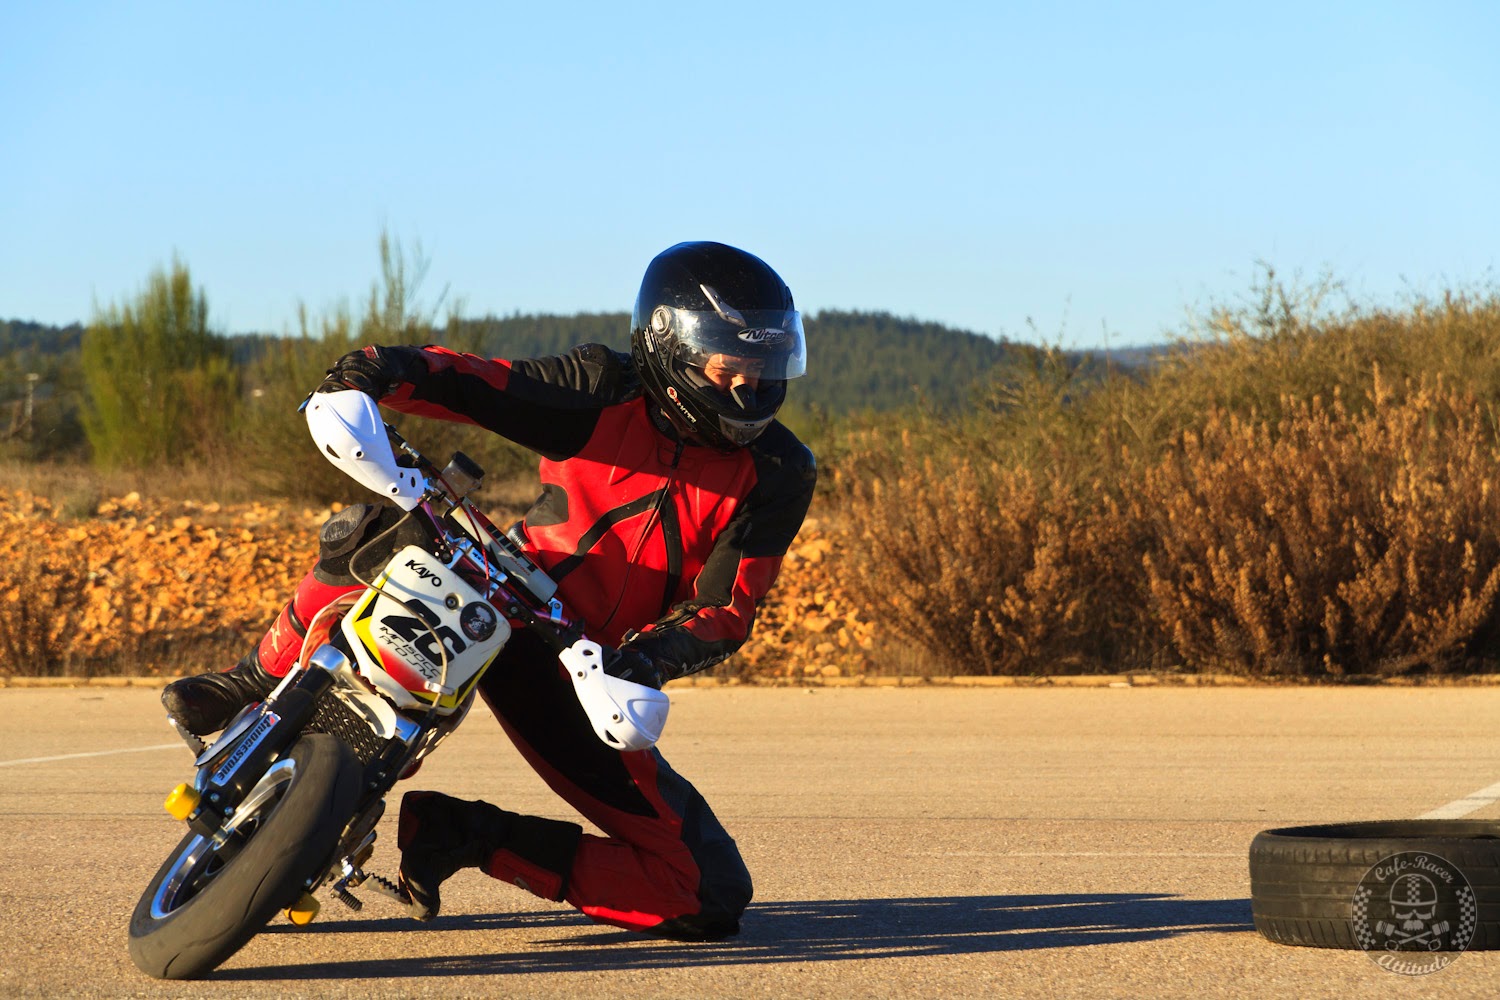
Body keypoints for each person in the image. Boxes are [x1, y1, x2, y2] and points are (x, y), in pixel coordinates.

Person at [161, 241, 817, 940]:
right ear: (669, 348)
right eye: (729, 366)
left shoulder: (778, 469)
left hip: (580, 665)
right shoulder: (602, 387)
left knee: (707, 892)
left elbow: (725, 608)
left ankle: (462, 834)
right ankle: (252, 680)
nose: (749, 388)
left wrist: (643, 661)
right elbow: (470, 381)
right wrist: (367, 373)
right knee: (388, 527)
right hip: (494, 583)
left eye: (763, 368)